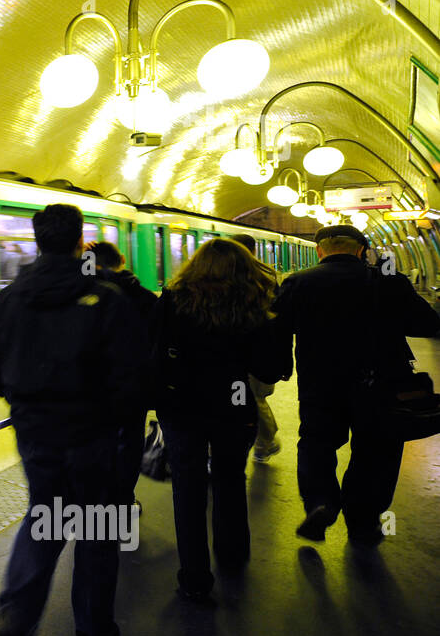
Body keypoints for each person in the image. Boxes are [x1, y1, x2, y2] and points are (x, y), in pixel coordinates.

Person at [0, 204, 145, 636]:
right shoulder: (106, 299)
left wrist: (20, 401)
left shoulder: (10, 299)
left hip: (35, 432)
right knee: (96, 530)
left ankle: (16, 618)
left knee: (44, 515)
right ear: (79, 242)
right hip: (94, 436)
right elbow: (131, 375)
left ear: (36, 240)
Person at [272, 225, 440, 545]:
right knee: (377, 450)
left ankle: (320, 502)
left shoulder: (299, 282)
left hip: (320, 383)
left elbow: (277, 332)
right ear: (362, 251)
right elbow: (427, 324)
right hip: (381, 383)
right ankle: (363, 521)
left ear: (320, 251)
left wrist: (277, 369)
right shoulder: (388, 280)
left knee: (317, 443)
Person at [149, 238, 289, 602]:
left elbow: (154, 353)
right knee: (229, 479)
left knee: (188, 487)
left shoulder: (173, 299)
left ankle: (194, 577)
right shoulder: (256, 301)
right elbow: (273, 368)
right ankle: (232, 556)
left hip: (181, 407)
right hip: (233, 405)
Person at [86, 240, 157, 507]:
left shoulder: (79, 294)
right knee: (129, 444)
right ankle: (123, 499)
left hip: (89, 389)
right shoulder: (146, 299)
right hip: (132, 390)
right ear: (124, 260)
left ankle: (94, 501)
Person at [229, 234, 283, 463]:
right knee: (250, 399)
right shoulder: (266, 276)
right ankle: (264, 443)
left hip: (236, 354)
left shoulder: (219, 276)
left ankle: (262, 441)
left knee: (245, 399)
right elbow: (278, 319)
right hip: (255, 353)